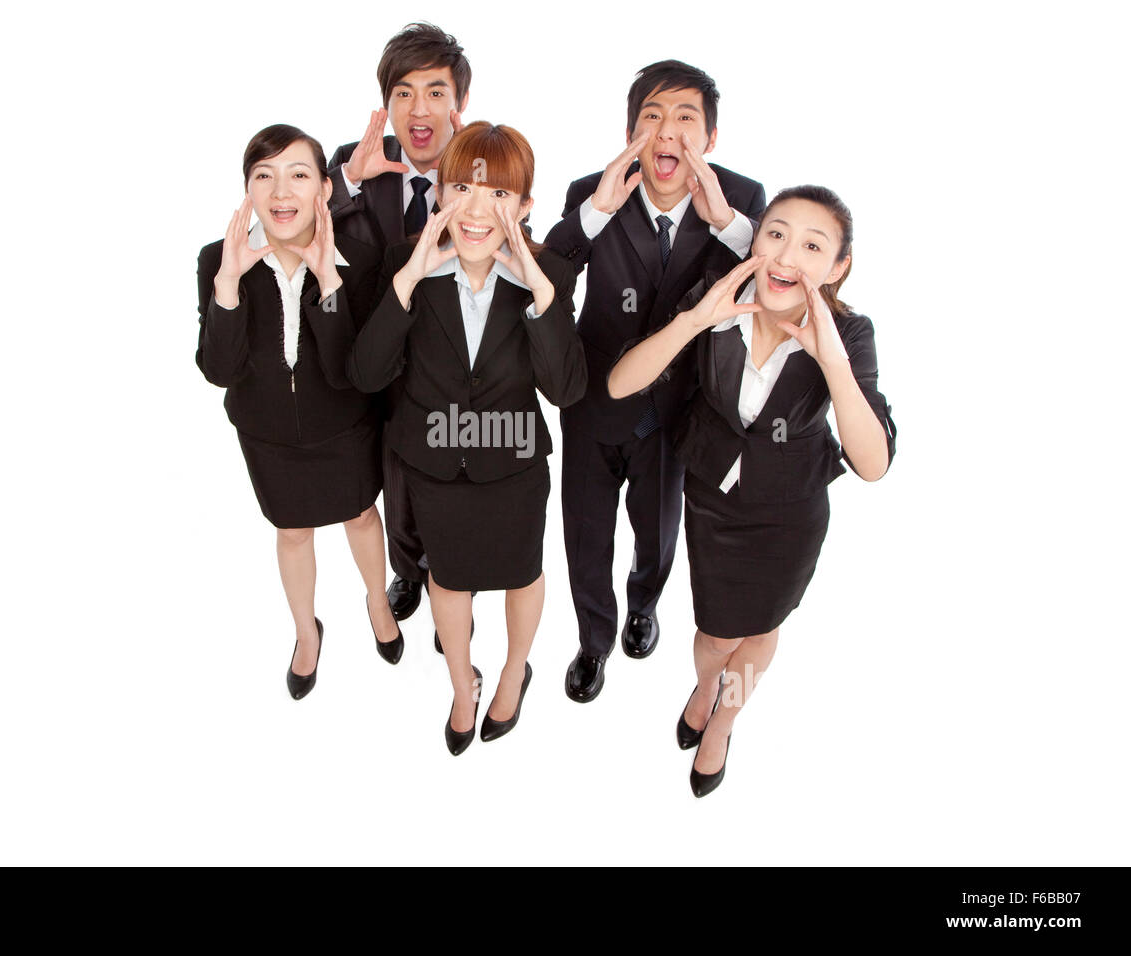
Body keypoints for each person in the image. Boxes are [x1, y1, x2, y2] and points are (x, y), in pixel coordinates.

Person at [608, 185, 897, 797]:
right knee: (714, 636)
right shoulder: (719, 303)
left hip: (788, 516)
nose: (788, 256)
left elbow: (872, 464)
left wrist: (833, 363)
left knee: (760, 630)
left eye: (813, 246)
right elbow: (619, 385)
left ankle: (725, 723)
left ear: (838, 268)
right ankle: (708, 689)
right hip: (712, 500)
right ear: (755, 240)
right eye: (776, 234)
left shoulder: (853, 333)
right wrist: (693, 321)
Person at [348, 122, 587, 755]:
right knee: (448, 583)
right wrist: (408, 282)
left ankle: (513, 672)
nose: (477, 209)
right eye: (463, 188)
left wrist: (540, 296)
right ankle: (461, 683)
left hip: (513, 467)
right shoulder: (406, 262)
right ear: (441, 195)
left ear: (525, 207)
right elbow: (366, 374)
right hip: (433, 465)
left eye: (499, 194)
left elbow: (565, 390)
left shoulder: (550, 272)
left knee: (522, 576)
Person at [542, 59, 767, 703]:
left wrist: (724, 222)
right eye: (652, 117)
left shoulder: (743, 200)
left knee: (658, 528)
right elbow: (550, 283)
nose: (668, 132)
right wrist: (591, 216)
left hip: (676, 409)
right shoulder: (594, 190)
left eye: (685, 118)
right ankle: (593, 639)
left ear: (711, 139)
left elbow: (764, 288)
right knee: (586, 532)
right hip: (593, 398)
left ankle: (644, 602)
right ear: (631, 131)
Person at [195, 124, 405, 701]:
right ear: (248, 190)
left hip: (345, 424)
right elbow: (218, 369)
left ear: (323, 188)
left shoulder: (359, 261)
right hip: (266, 433)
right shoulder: (218, 258)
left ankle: (377, 601)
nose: (281, 191)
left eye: (298, 175)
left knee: (362, 516)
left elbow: (349, 372)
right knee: (292, 532)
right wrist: (230, 285)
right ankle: (305, 631)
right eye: (264, 176)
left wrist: (328, 280)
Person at [327, 22, 472, 627]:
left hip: (448, 376)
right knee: (394, 485)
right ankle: (407, 571)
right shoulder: (353, 166)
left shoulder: (482, 173)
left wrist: (460, 192)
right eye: (404, 92)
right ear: (387, 103)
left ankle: (452, 585)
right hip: (372, 365)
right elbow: (307, 234)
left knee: (449, 489)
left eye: (436, 92)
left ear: (458, 104)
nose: (420, 108)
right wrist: (351, 183)